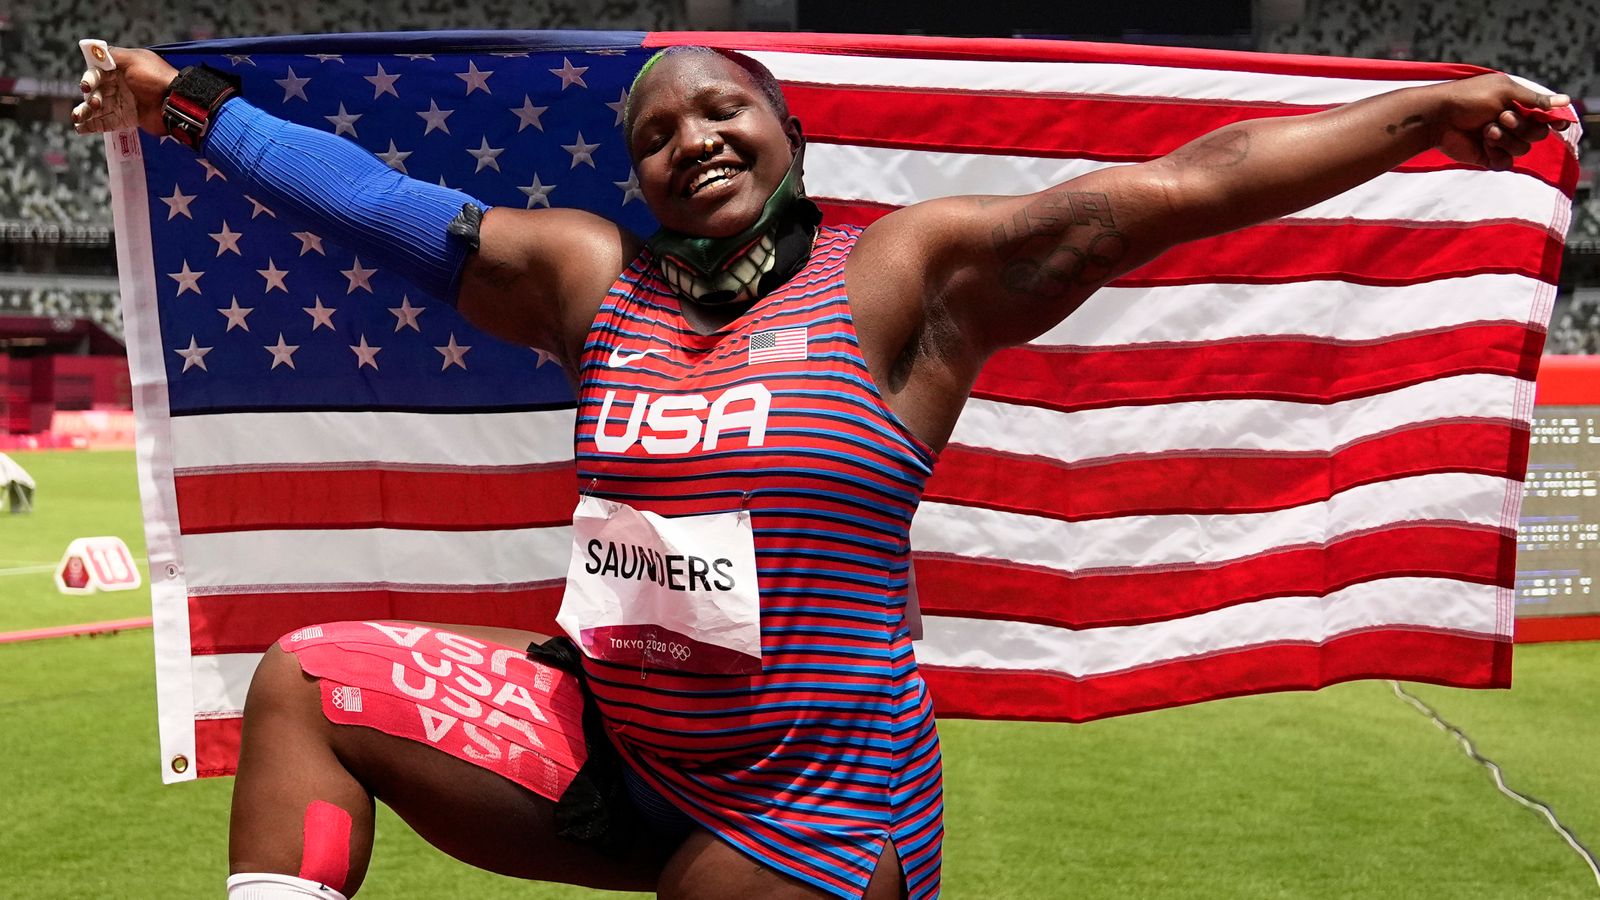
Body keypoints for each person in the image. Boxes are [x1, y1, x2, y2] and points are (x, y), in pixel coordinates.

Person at [75, 40, 1569, 900]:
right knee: (305, 682)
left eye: (721, 109)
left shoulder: (902, 275)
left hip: (814, 804)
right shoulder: (591, 278)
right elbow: (375, 203)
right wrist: (180, 102)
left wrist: (1422, 118)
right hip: (617, 749)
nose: (690, 139)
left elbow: (1184, 185)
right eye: (655, 133)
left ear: (790, 132)